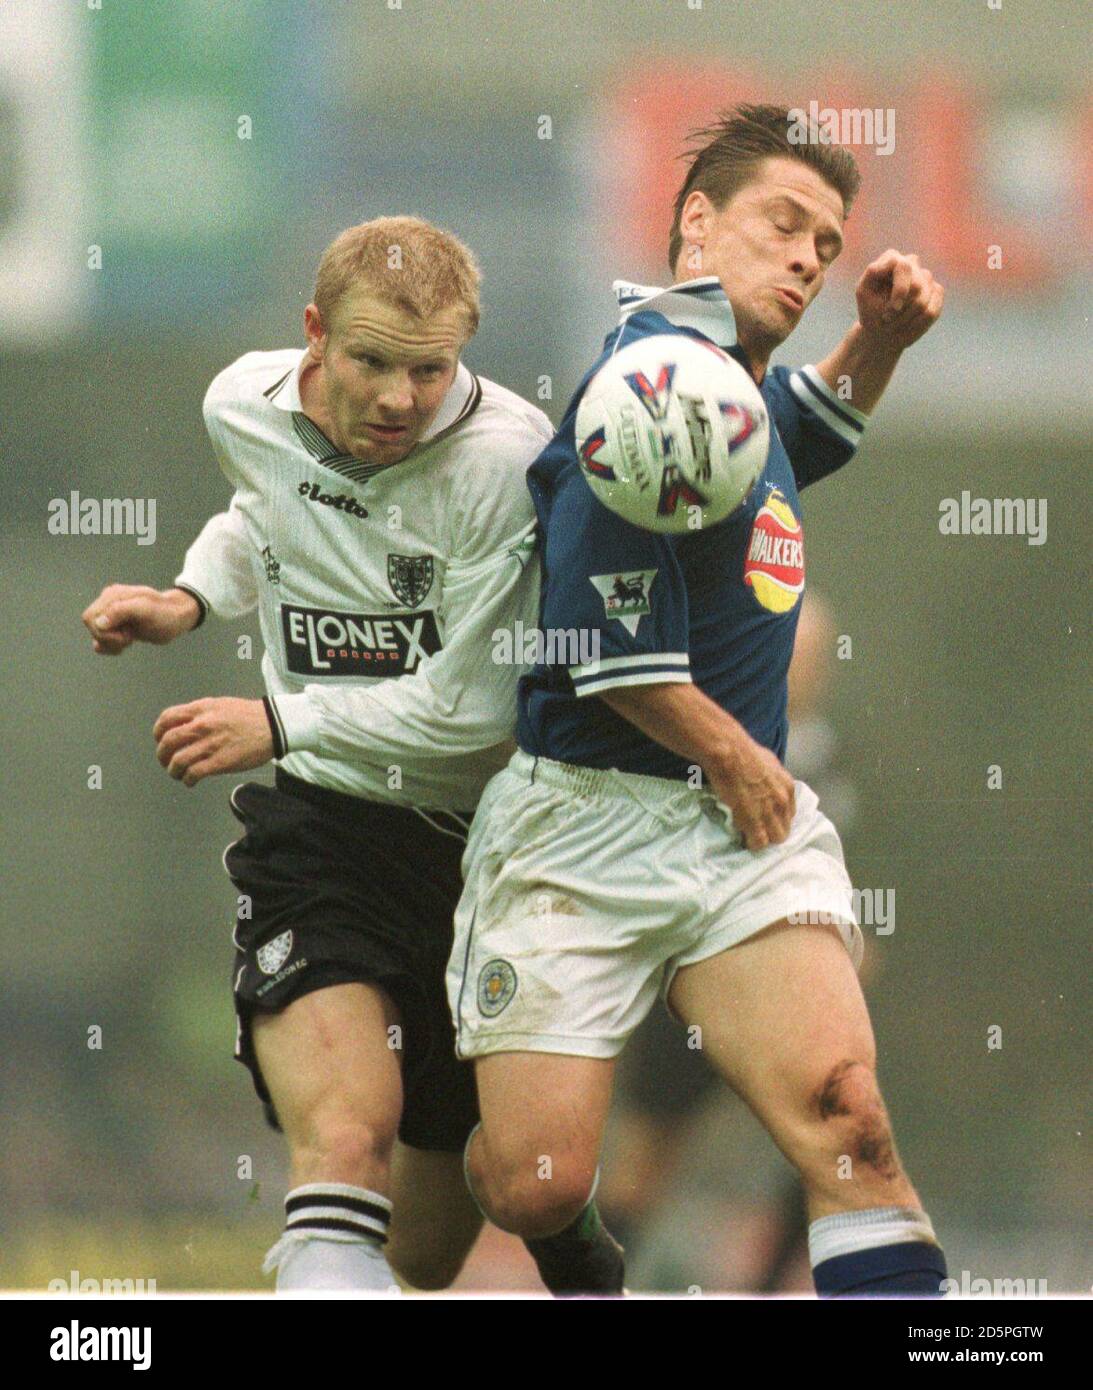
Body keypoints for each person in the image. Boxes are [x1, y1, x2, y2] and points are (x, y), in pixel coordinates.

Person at [447, 104, 949, 1297]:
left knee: (847, 1122)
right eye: (784, 223)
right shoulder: (651, 386)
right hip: (583, 829)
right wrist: (734, 750)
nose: (808, 259)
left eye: (826, 246)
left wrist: (874, 342)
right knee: (537, 1182)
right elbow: (594, 643)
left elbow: (791, 443)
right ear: (693, 223)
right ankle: (473, 1156)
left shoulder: (723, 391)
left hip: (733, 839)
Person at [80, 215, 618, 1294]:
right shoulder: (242, 403)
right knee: (340, 1158)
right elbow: (262, 514)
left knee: (442, 1240)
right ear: (315, 333)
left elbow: (470, 712)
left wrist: (276, 720)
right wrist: (189, 597)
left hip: (492, 853)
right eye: (370, 361)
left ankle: (553, 1216)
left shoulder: (507, 467)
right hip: (324, 833)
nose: (396, 399)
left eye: (429, 369)